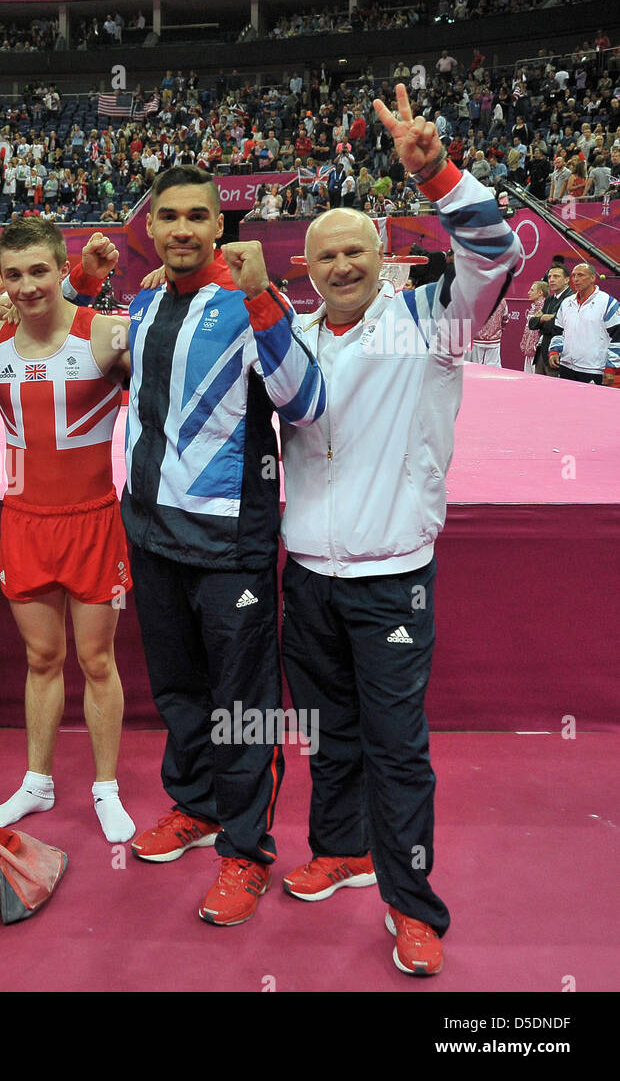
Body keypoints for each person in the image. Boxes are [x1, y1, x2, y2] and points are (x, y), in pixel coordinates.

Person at [278, 84, 521, 976]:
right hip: (306, 572)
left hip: (390, 576)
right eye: (325, 255)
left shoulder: (430, 325)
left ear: (383, 255)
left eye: (355, 250)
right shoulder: (292, 339)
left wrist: (438, 172)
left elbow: (494, 254)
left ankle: (411, 904)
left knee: (396, 746)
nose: (340, 265)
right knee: (330, 734)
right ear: (305, 268)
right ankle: (340, 849)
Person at [114, 165, 326, 926]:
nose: (179, 229)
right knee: (178, 690)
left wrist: (268, 300)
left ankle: (248, 848)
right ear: (151, 226)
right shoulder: (142, 304)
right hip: (151, 533)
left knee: (245, 704)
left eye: (196, 216)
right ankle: (195, 806)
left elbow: (305, 402)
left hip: (229, 541)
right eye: (166, 216)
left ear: (218, 226)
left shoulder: (248, 302)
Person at [0, 222, 135, 843]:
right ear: (0, 280)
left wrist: (92, 282)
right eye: (12, 275)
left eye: (39, 271)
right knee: (42, 658)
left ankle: (106, 787)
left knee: (97, 660)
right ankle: (37, 783)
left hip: (92, 521)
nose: (26, 286)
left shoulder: (107, 336)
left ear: (60, 269)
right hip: (24, 522)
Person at [548, 262, 620, 385]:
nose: (576, 279)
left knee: (591, 404)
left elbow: (617, 337)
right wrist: (555, 350)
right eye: (574, 275)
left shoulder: (608, 302)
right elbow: (558, 331)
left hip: (594, 369)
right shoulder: (566, 303)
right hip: (566, 366)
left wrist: (611, 368)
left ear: (593, 278)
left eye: (581, 275)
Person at [530, 264, 570, 376]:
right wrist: (543, 318)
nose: (551, 280)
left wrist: (541, 320)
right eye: (550, 277)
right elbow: (532, 324)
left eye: (556, 276)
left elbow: (555, 327)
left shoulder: (570, 299)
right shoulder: (549, 299)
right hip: (542, 352)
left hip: (558, 355)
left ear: (567, 280)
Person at [469, 295, 507, 366]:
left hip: (478, 340)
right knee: (494, 367)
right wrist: (498, 331)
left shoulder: (477, 298)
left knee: (476, 366)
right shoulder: (502, 301)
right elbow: (505, 319)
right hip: (494, 341)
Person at [520, 281, 548, 373]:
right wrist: (525, 345)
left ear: (540, 293)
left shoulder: (546, 309)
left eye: (532, 290)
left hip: (537, 355)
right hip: (529, 352)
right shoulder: (533, 308)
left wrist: (536, 347)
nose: (528, 292)